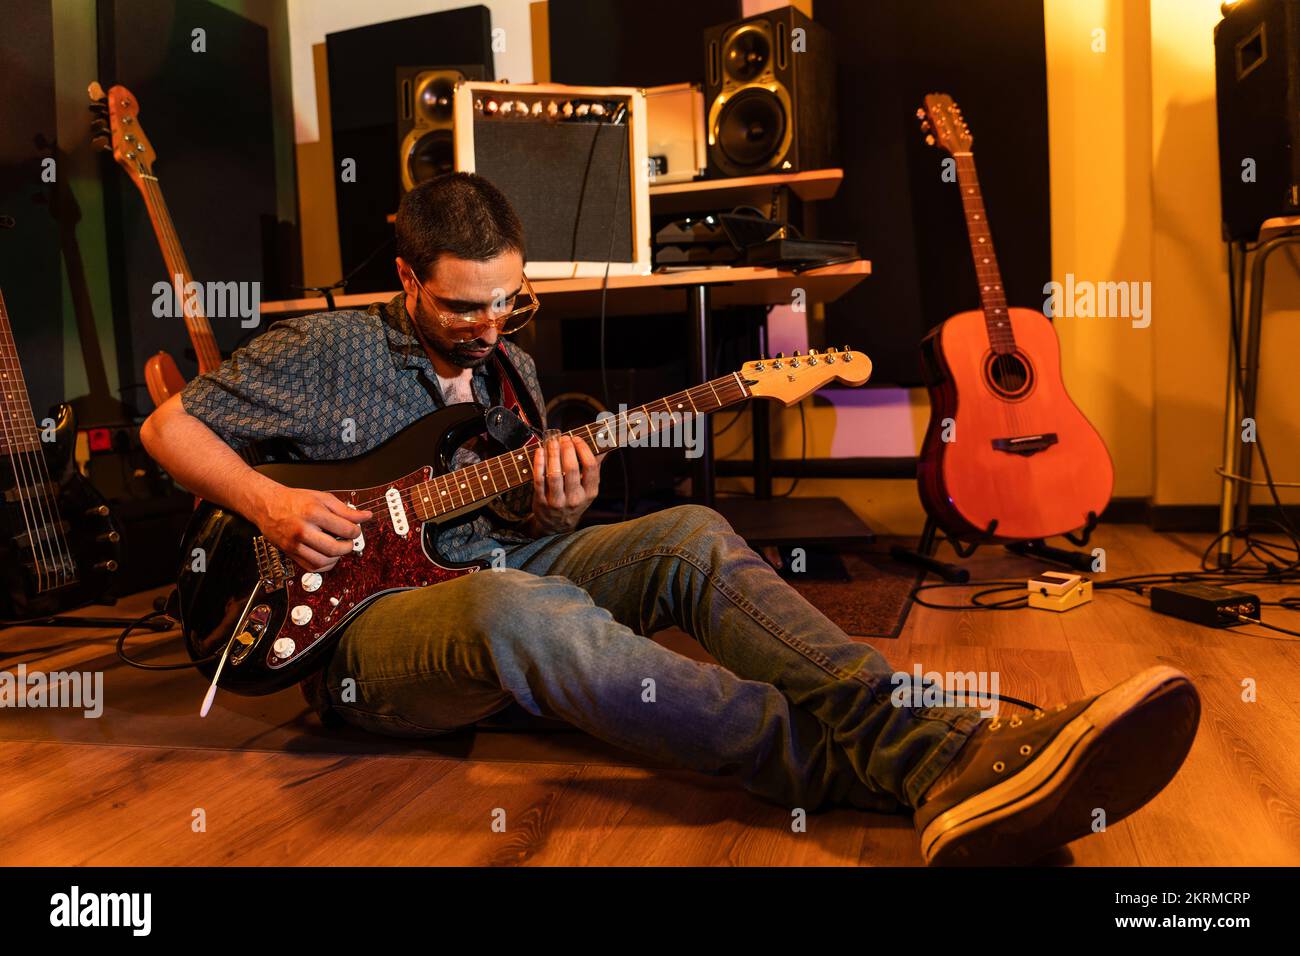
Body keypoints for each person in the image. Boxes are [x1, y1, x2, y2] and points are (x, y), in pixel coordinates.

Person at [141, 172, 1200, 865]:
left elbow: (523, 502)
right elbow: (169, 430)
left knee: (688, 535)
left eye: (505, 300)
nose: (487, 323)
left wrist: (565, 494)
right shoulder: (328, 346)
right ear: (409, 279)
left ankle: (940, 741)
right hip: (351, 632)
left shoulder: (507, 358)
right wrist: (273, 502)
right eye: (461, 304)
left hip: (489, 562)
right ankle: (878, 768)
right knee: (518, 607)